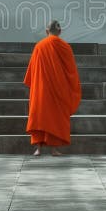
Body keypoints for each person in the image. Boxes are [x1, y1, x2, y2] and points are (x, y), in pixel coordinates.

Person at [23, 20, 82, 156]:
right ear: (60, 32)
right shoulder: (65, 47)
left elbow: (31, 72)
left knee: (40, 116)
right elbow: (71, 72)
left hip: (41, 90)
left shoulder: (39, 46)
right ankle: (54, 149)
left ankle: (38, 149)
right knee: (55, 117)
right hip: (59, 90)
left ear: (46, 31)